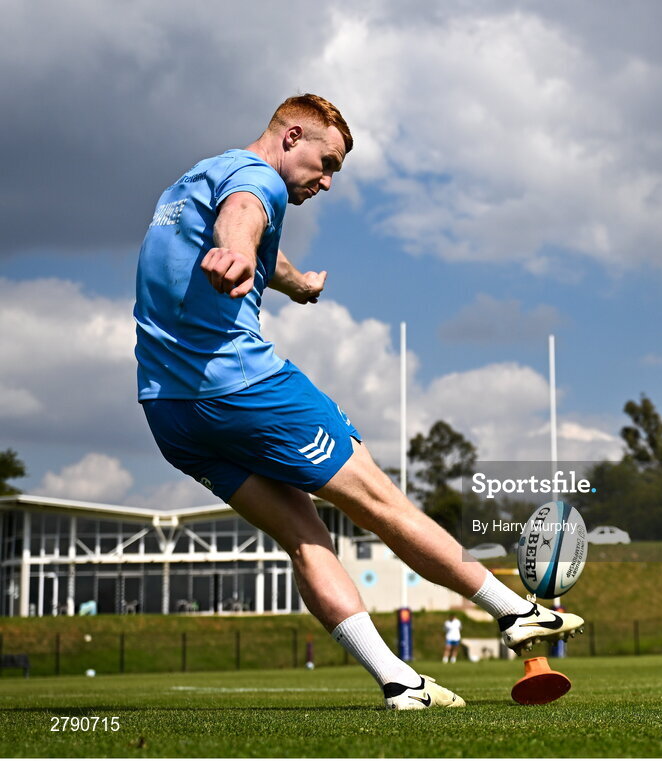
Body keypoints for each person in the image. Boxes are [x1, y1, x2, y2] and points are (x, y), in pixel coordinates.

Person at [134, 93, 583, 710]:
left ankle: (400, 684)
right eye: (327, 164)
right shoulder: (257, 181)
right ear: (292, 136)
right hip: (243, 390)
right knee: (381, 504)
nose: (326, 181)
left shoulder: (196, 179)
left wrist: (294, 281)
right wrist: (236, 252)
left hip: (170, 412)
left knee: (303, 537)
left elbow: (250, 237)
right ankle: (514, 613)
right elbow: (242, 219)